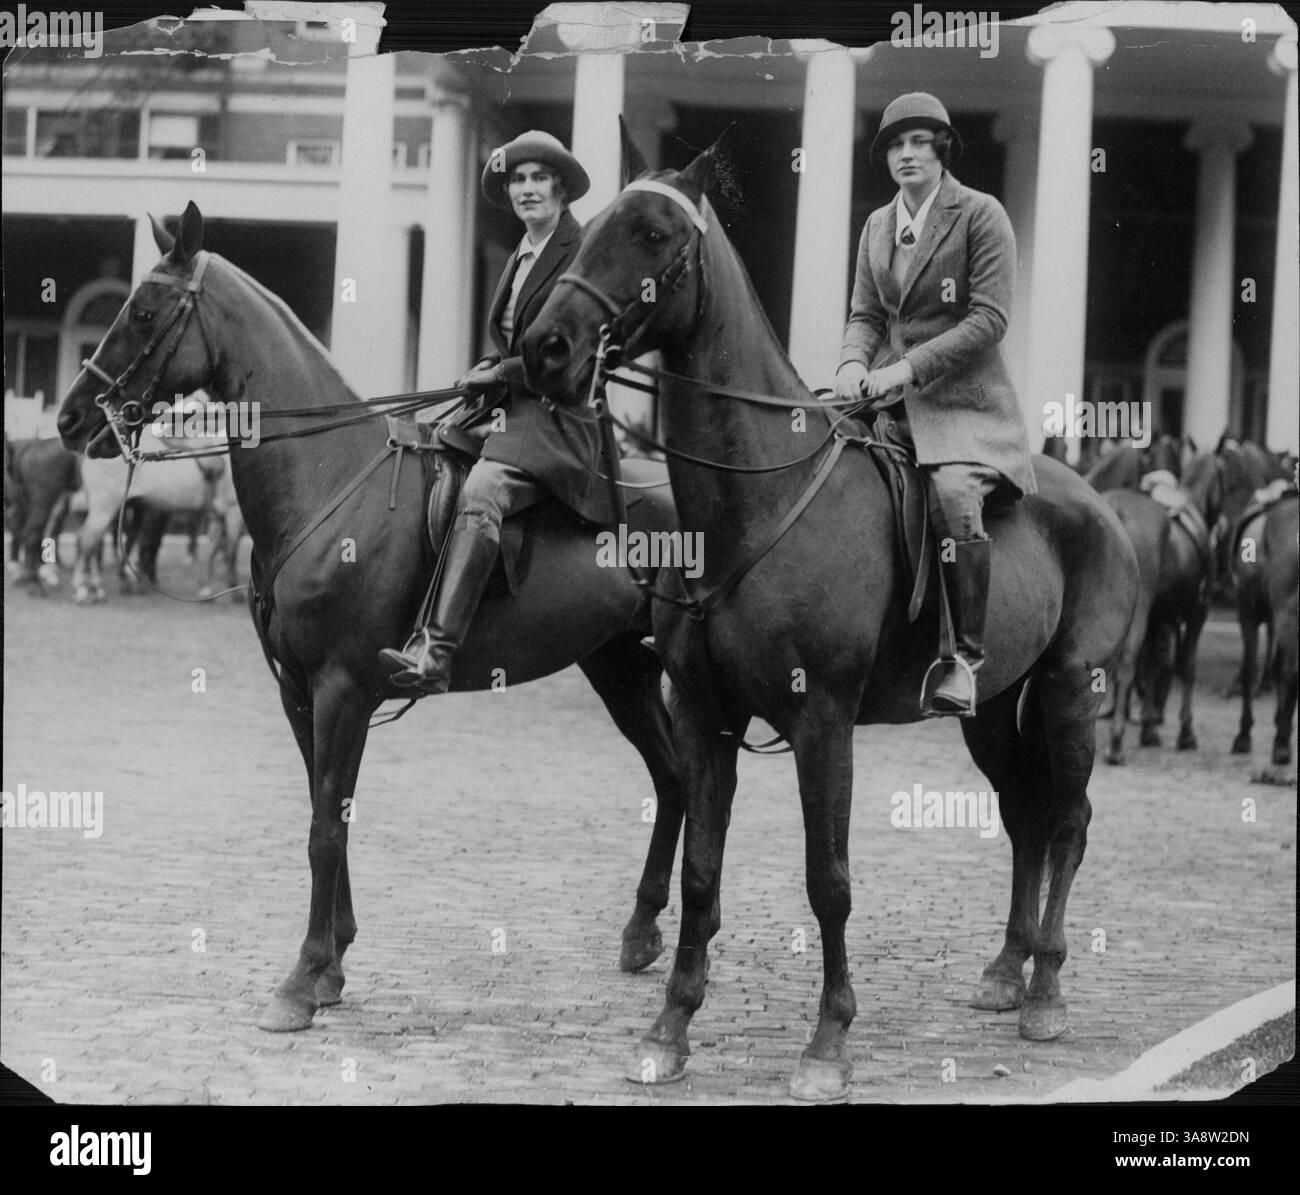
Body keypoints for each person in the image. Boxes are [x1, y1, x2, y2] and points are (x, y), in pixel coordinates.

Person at [379, 130, 611, 693]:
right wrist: (489, 368)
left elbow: (567, 350)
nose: (527, 190)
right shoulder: (522, 254)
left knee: (482, 490)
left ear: (560, 189)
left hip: (560, 421)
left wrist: (500, 374)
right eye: (518, 180)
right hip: (513, 413)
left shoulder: (577, 252)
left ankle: (437, 650)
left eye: (538, 179)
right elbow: (514, 344)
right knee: (422, 450)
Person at [835, 92, 1037, 717]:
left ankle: (964, 661)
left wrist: (906, 367)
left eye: (919, 141)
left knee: (951, 495)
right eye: (895, 145)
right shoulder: (876, 226)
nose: (906, 154)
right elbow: (866, 315)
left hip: (967, 411)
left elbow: (990, 319)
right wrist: (849, 363)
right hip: (890, 405)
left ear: (942, 148)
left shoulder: (982, 214)